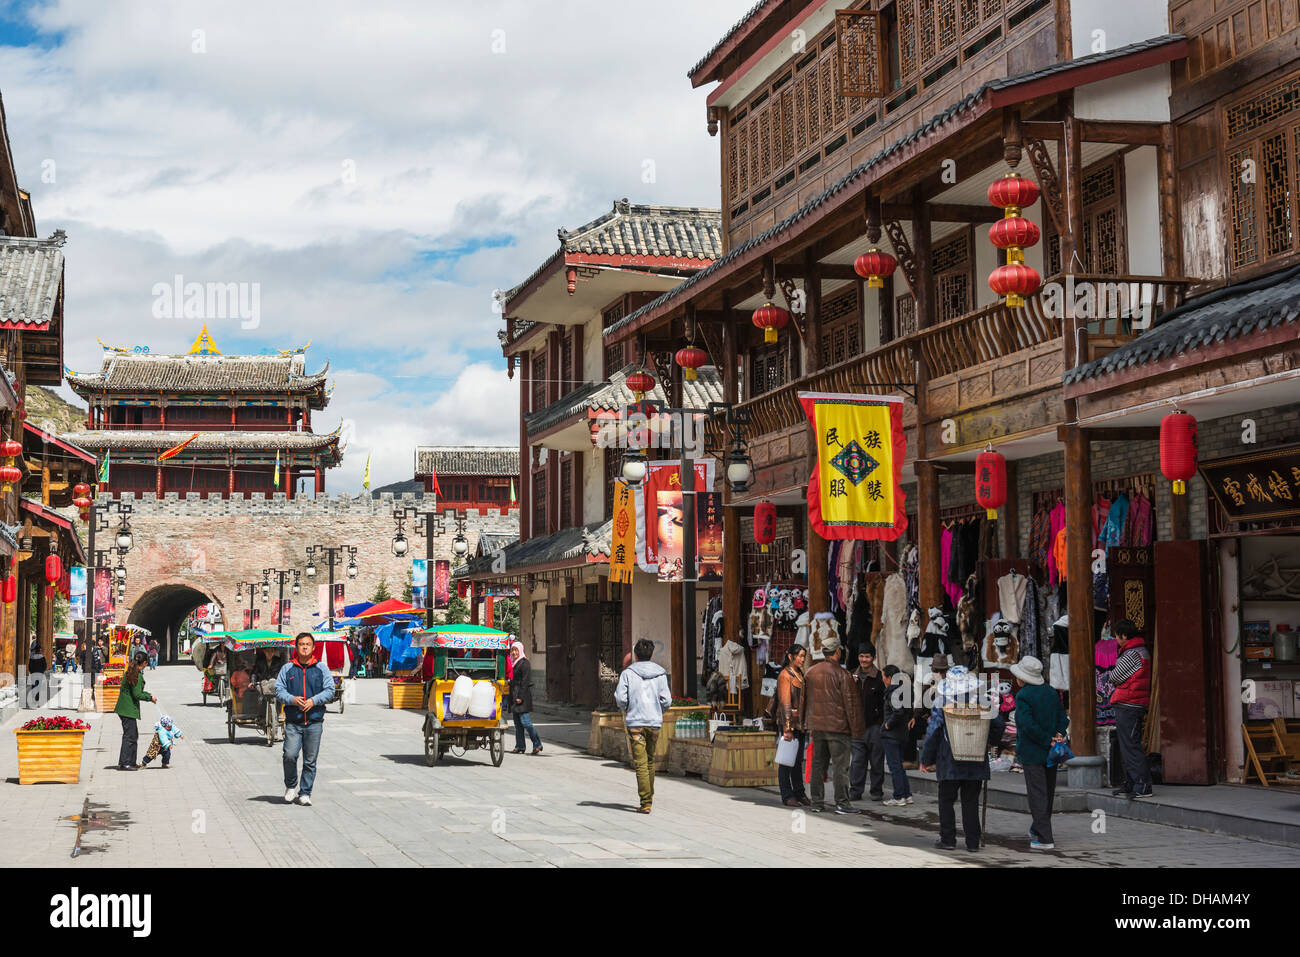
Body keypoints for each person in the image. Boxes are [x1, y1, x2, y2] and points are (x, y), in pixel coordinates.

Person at [919, 666, 1004, 851]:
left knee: (946, 801)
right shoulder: (982, 701)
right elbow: (999, 725)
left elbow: (933, 732)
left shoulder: (942, 702)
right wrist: (988, 742)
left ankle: (948, 840)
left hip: (949, 761)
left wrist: (926, 759)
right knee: (971, 802)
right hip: (976, 759)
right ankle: (973, 843)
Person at [802, 633, 866, 814]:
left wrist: (806, 723)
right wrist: (858, 730)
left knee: (817, 764)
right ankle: (842, 803)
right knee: (840, 766)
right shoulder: (843, 674)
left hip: (817, 726)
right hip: (838, 727)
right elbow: (851, 705)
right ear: (838, 652)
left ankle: (817, 803)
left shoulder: (811, 672)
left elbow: (804, 700)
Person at [1010, 655, 1069, 850]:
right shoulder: (1051, 692)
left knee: (1037, 794)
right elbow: (1063, 716)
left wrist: (1047, 739)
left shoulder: (1023, 696)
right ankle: (1037, 828)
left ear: (1023, 678)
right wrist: (1058, 735)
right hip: (1052, 751)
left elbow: (1026, 725)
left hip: (1033, 751)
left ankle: (1045, 838)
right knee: (1047, 791)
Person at [274, 632, 335, 806]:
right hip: (294, 721)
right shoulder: (288, 668)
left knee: (310, 760)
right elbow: (279, 690)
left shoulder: (321, 668)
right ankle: (291, 785)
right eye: (302, 644)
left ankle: (305, 792)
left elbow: (330, 690)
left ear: (313, 647)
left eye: (308, 644)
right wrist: (292, 699)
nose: (305, 647)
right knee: (289, 755)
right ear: (296, 647)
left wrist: (314, 701)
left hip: (314, 722)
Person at [614, 638, 672, 814]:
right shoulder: (661, 674)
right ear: (652, 654)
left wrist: (628, 709)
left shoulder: (627, 674)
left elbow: (620, 698)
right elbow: (667, 700)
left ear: (635, 655)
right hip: (654, 722)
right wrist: (658, 711)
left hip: (635, 722)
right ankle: (649, 798)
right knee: (650, 760)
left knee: (640, 763)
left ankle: (646, 802)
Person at [1109, 619, 1153, 799]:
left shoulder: (1133, 654)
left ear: (1124, 636)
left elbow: (1115, 676)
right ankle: (1131, 782)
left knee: (1131, 745)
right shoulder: (1137, 651)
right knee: (1127, 745)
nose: (1116, 640)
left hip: (1129, 703)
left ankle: (1142, 785)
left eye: (1117, 636)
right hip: (1131, 702)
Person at [771, 643, 809, 808]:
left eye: (803, 656)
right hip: (789, 722)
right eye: (799, 656)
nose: (802, 659)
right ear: (790, 656)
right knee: (787, 760)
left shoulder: (799, 673)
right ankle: (787, 794)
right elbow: (785, 702)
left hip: (799, 723)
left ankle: (799, 792)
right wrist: (787, 728)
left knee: (797, 759)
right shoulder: (785, 676)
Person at [849, 643, 887, 803]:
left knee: (877, 761)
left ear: (873, 658)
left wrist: (881, 723)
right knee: (857, 761)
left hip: (874, 727)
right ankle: (855, 791)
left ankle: (876, 791)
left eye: (867, 656)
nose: (864, 660)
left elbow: (885, 703)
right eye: (861, 656)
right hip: (857, 727)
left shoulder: (880, 678)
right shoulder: (851, 676)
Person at [114, 652, 157, 771]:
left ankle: (130, 762)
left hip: (124, 708)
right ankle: (125, 763)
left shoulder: (131, 671)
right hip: (127, 709)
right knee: (130, 736)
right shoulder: (136, 675)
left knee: (132, 735)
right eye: (146, 664)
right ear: (144, 663)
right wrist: (150, 697)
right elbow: (137, 694)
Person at [881, 665, 914, 806]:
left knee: (895, 766)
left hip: (892, 735)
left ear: (889, 678)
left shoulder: (893, 692)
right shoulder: (904, 691)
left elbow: (898, 711)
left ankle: (899, 796)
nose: (882, 679)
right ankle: (906, 795)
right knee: (899, 766)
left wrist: (888, 724)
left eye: (883, 676)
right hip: (902, 734)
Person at [508, 641, 542, 755]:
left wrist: (520, 697)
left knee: (526, 723)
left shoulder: (525, 663)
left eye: (516, 650)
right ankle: (520, 746)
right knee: (517, 724)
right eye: (512, 650)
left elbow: (525, 681)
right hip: (514, 695)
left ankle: (537, 744)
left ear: (521, 650)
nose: (514, 652)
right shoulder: (513, 663)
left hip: (522, 696)